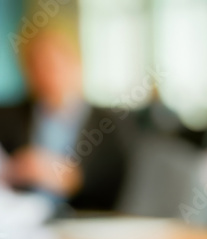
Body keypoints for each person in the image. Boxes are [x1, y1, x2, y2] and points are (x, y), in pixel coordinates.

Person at [0, 25, 135, 212]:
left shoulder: (110, 122)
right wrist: (15, 170)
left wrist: (71, 179)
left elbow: (119, 182)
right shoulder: (8, 117)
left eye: (53, 65)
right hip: (23, 217)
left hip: (85, 217)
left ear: (75, 64)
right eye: (35, 66)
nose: (45, 74)